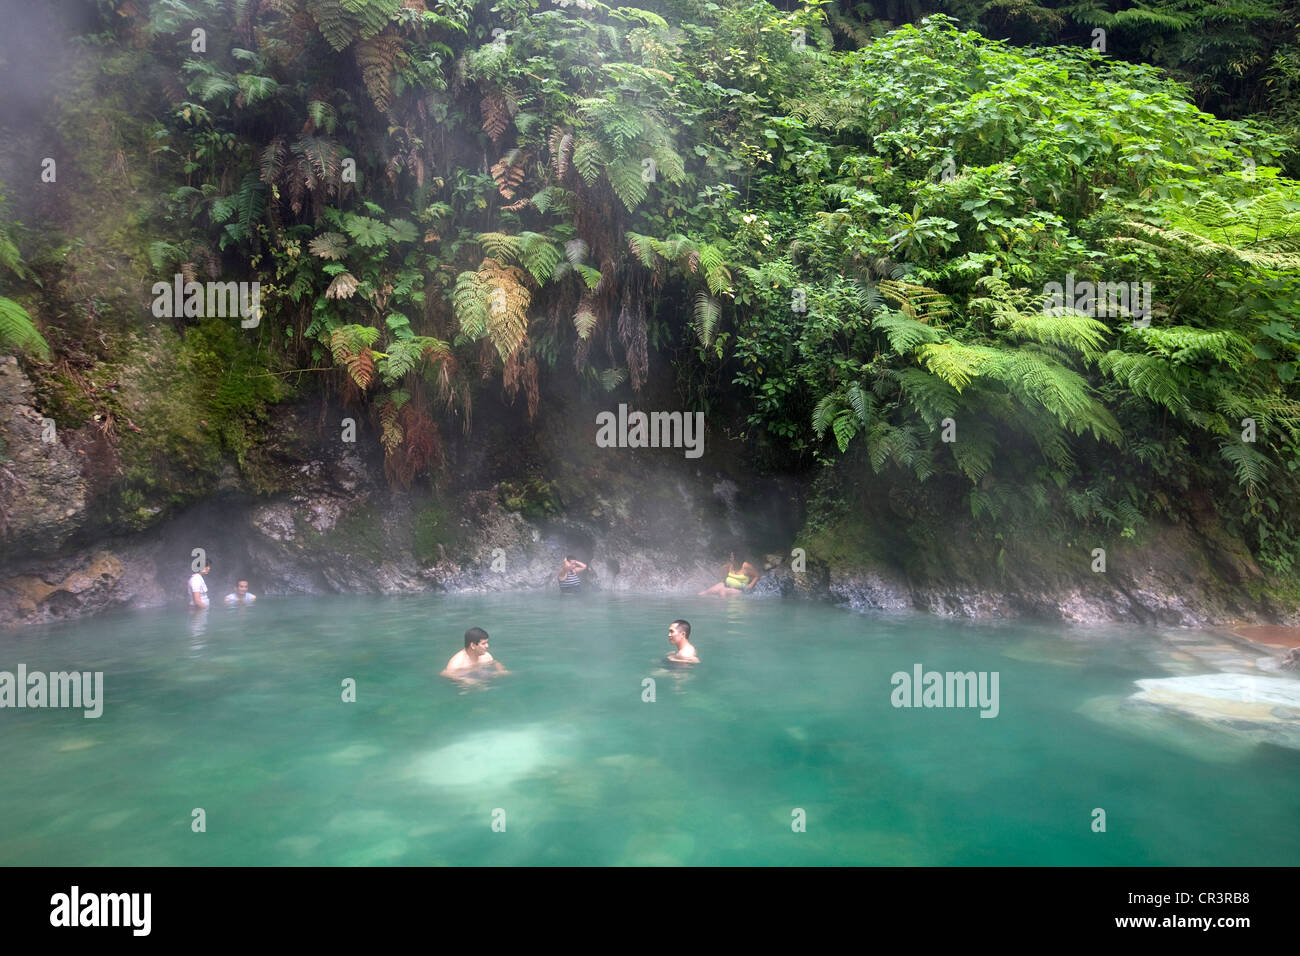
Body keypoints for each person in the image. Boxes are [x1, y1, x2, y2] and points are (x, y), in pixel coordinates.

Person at [441, 627, 508, 677]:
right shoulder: (456, 663)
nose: (487, 646)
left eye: (487, 642)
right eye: (483, 643)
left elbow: (495, 662)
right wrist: (464, 680)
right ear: (473, 645)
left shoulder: (486, 656)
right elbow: (445, 674)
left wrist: (501, 670)